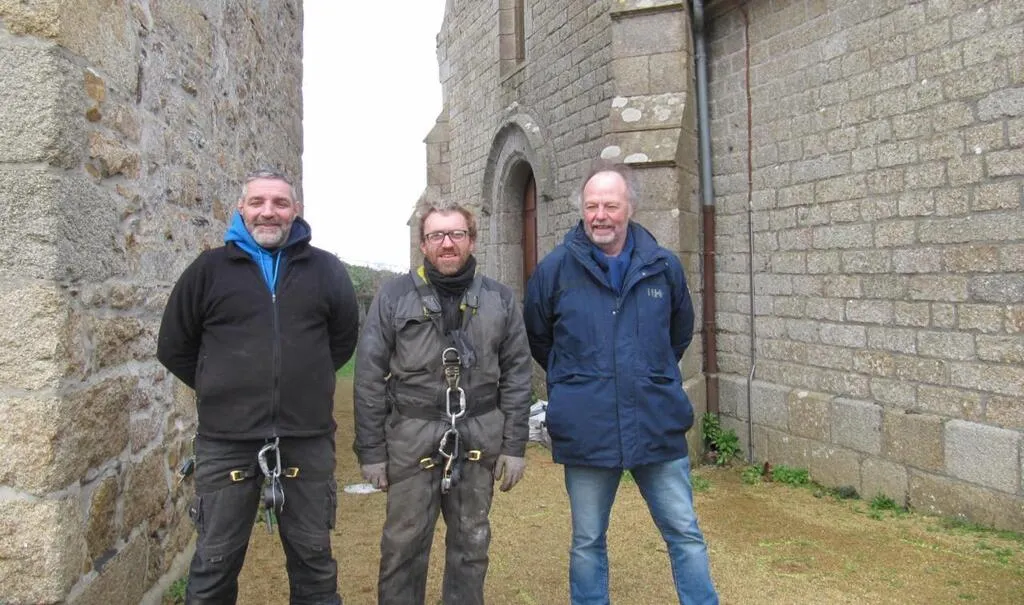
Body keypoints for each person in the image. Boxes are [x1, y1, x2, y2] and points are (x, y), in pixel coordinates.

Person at [157, 168, 359, 605]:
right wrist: (223, 386)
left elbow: (341, 341)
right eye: (258, 203)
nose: (268, 212)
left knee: (314, 565)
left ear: (296, 211)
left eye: (280, 203)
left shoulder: (326, 270)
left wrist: (299, 383)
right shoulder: (207, 271)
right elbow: (174, 345)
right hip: (226, 442)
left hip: (306, 440)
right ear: (241, 208)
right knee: (213, 564)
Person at [523, 161, 719, 605]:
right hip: (587, 429)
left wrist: (645, 374)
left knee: (685, 533)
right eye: (592, 205)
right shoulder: (555, 271)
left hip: (655, 422)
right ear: (582, 209)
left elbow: (678, 333)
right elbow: (541, 338)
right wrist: (581, 381)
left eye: (610, 205)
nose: (600, 215)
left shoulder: (663, 267)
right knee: (588, 540)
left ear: (630, 206)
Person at [353, 197, 532, 605]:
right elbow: (368, 377)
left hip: (479, 433)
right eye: (436, 235)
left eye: (456, 234)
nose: (447, 243)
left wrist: (514, 445)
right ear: (423, 243)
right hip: (411, 436)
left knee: (472, 542)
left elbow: (519, 375)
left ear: (472, 240)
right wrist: (371, 452)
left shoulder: (500, 300)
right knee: (403, 546)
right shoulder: (393, 297)